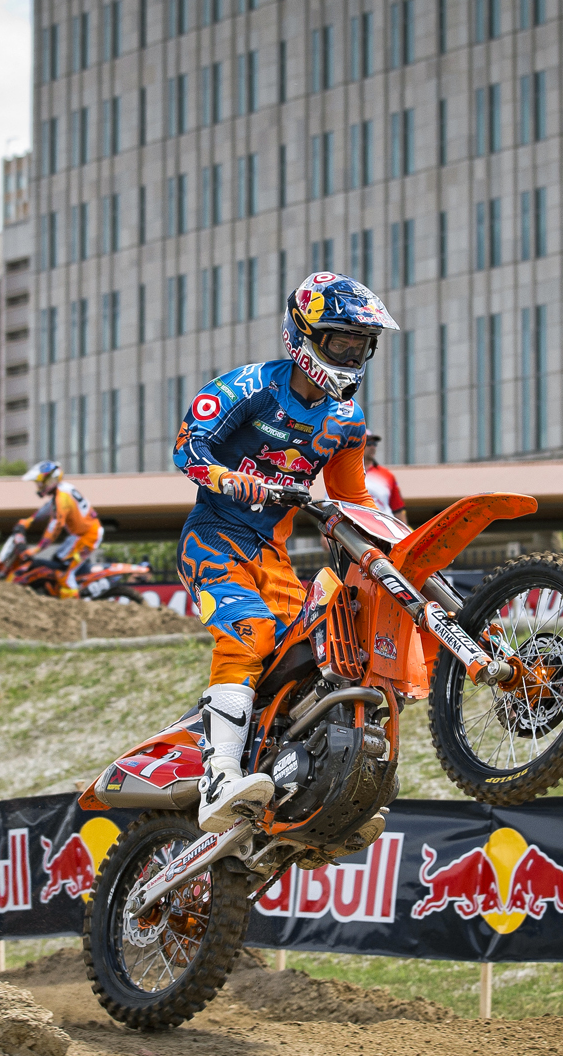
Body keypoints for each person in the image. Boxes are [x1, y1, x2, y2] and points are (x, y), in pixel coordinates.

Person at [173, 270, 394, 832]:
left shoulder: (347, 420)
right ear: (305, 334)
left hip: (273, 553)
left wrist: (393, 536)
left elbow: (353, 496)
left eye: (360, 344)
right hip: (214, 538)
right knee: (247, 635)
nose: (351, 353)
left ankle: (319, 781)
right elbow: (186, 447)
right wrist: (225, 478)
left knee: (312, 652)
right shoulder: (246, 388)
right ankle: (219, 774)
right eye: (340, 340)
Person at [7, 460, 102, 599]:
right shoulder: (63, 489)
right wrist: (29, 520)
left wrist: (37, 549)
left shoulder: (62, 499)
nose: (38, 486)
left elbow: (54, 528)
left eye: (40, 483)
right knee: (56, 561)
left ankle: (74, 609)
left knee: (64, 573)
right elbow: (49, 507)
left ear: (50, 480)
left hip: (88, 537)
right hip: (78, 536)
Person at [362, 432, 406, 518]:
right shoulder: (348, 472)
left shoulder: (387, 475)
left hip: (383, 525)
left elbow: (397, 509)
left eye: (374, 444)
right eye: (368, 443)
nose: (372, 447)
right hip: (356, 524)